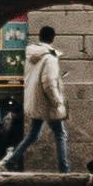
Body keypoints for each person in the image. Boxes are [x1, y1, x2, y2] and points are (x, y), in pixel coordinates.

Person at [18, 25, 68, 175]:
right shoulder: (50, 57)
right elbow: (49, 84)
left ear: (39, 37)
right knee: (60, 134)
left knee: (33, 134)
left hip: (36, 101)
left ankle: (12, 160)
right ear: (53, 38)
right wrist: (58, 102)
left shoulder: (31, 55)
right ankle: (64, 169)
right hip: (48, 104)